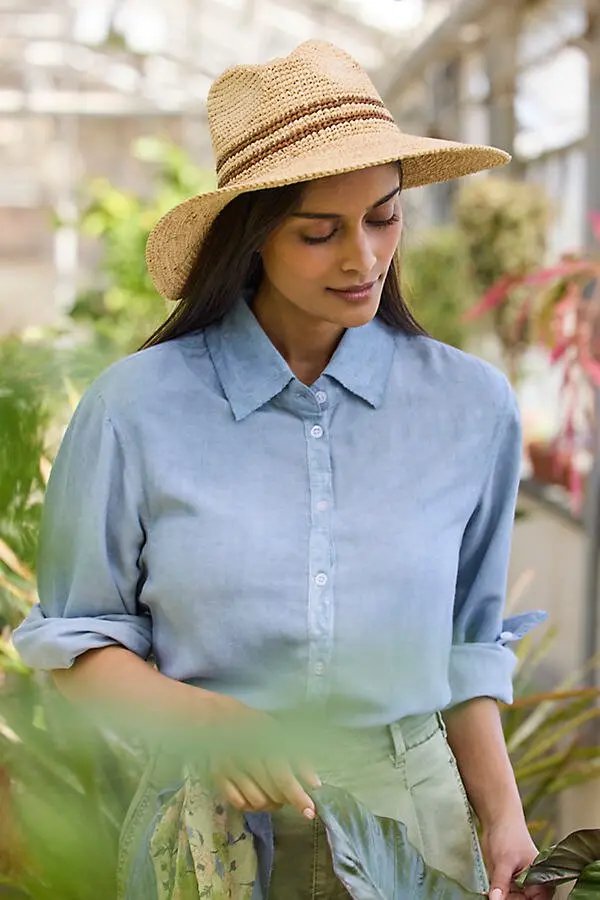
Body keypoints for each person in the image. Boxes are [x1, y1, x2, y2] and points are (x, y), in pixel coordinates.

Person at [14, 39, 550, 900]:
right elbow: (76, 645)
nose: (364, 259)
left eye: (384, 216)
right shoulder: (134, 410)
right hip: (203, 839)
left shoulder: (472, 407)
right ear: (251, 235)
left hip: (417, 835)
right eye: (318, 232)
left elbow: (467, 647)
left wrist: (504, 820)